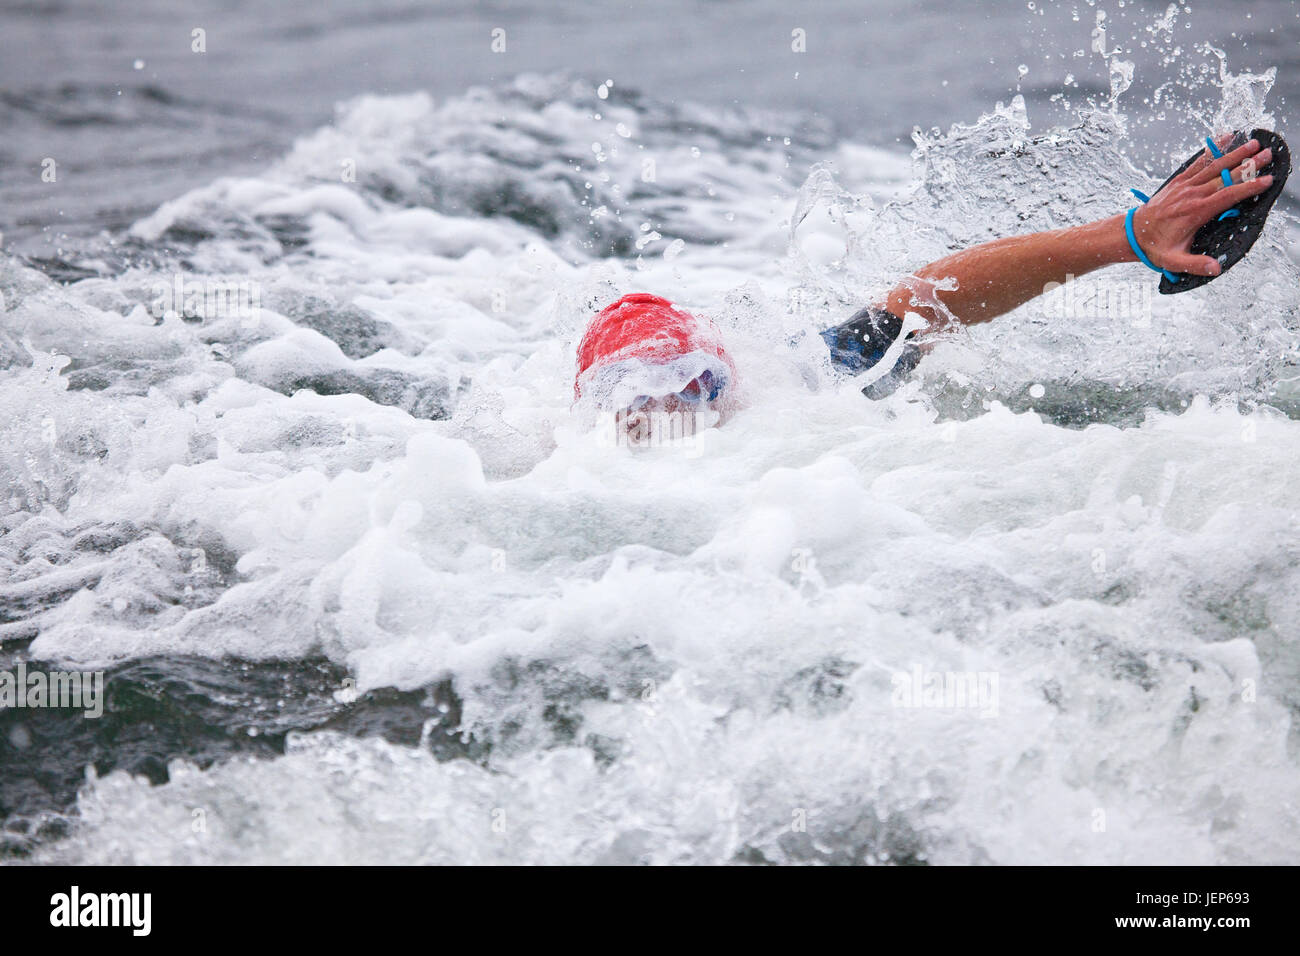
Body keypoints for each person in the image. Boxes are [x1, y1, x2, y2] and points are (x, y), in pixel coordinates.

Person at [575, 133, 1285, 434]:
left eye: (692, 387)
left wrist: (1129, 237)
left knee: (914, 321)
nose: (670, 414)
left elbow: (920, 304)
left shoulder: (803, 386)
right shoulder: (576, 468)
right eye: (656, 404)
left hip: (793, 370)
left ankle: (1142, 234)